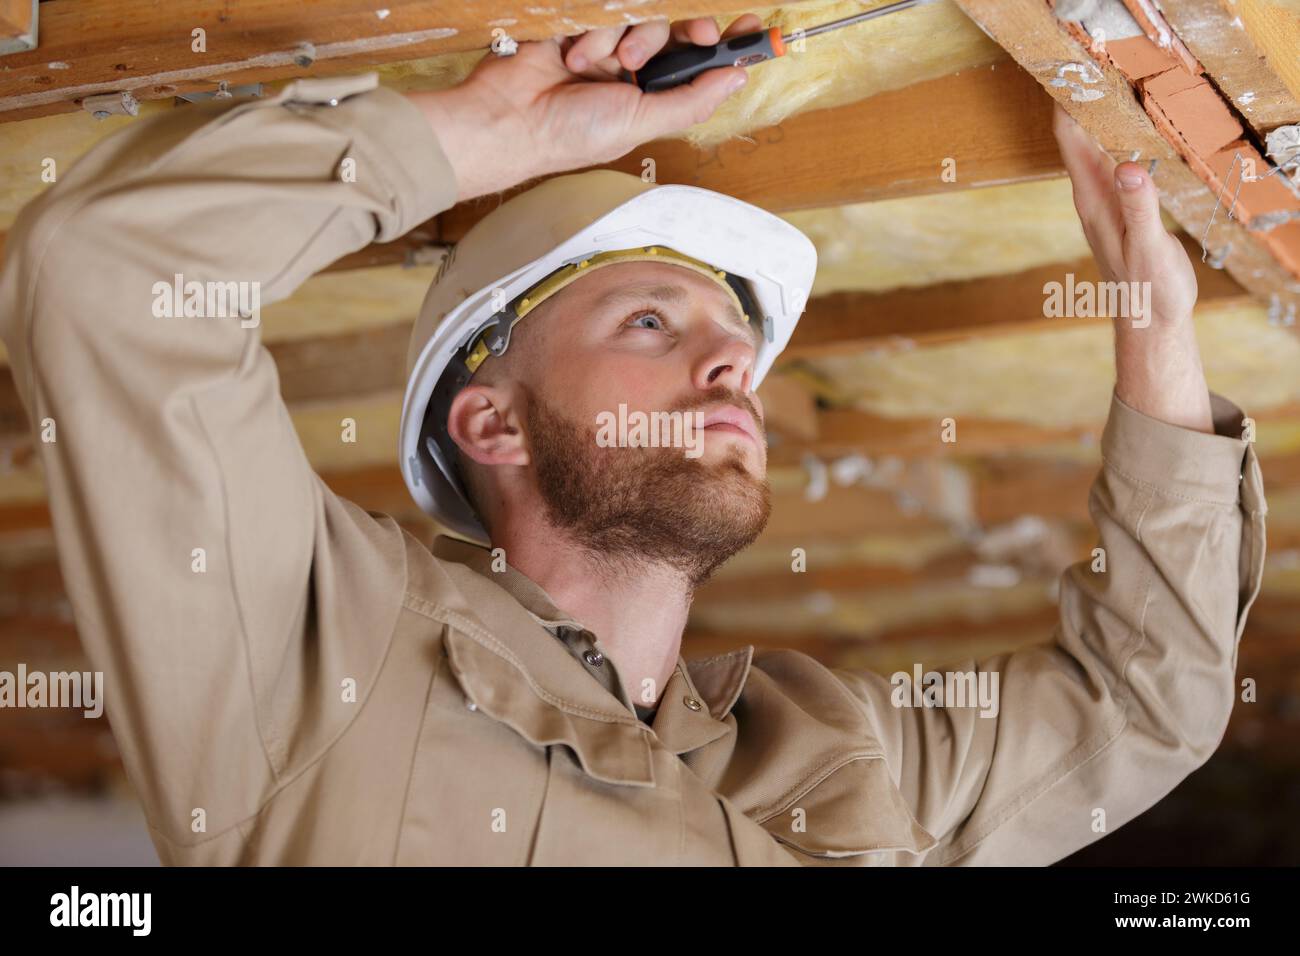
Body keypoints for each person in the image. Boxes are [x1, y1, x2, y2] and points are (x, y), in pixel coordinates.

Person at [0, 13, 1266, 866]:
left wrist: (1149, 322)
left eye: (734, 335)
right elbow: (106, 273)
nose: (731, 364)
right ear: (489, 416)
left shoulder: (829, 747)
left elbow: (1144, 707)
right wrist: (492, 136)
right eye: (653, 318)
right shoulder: (323, 654)